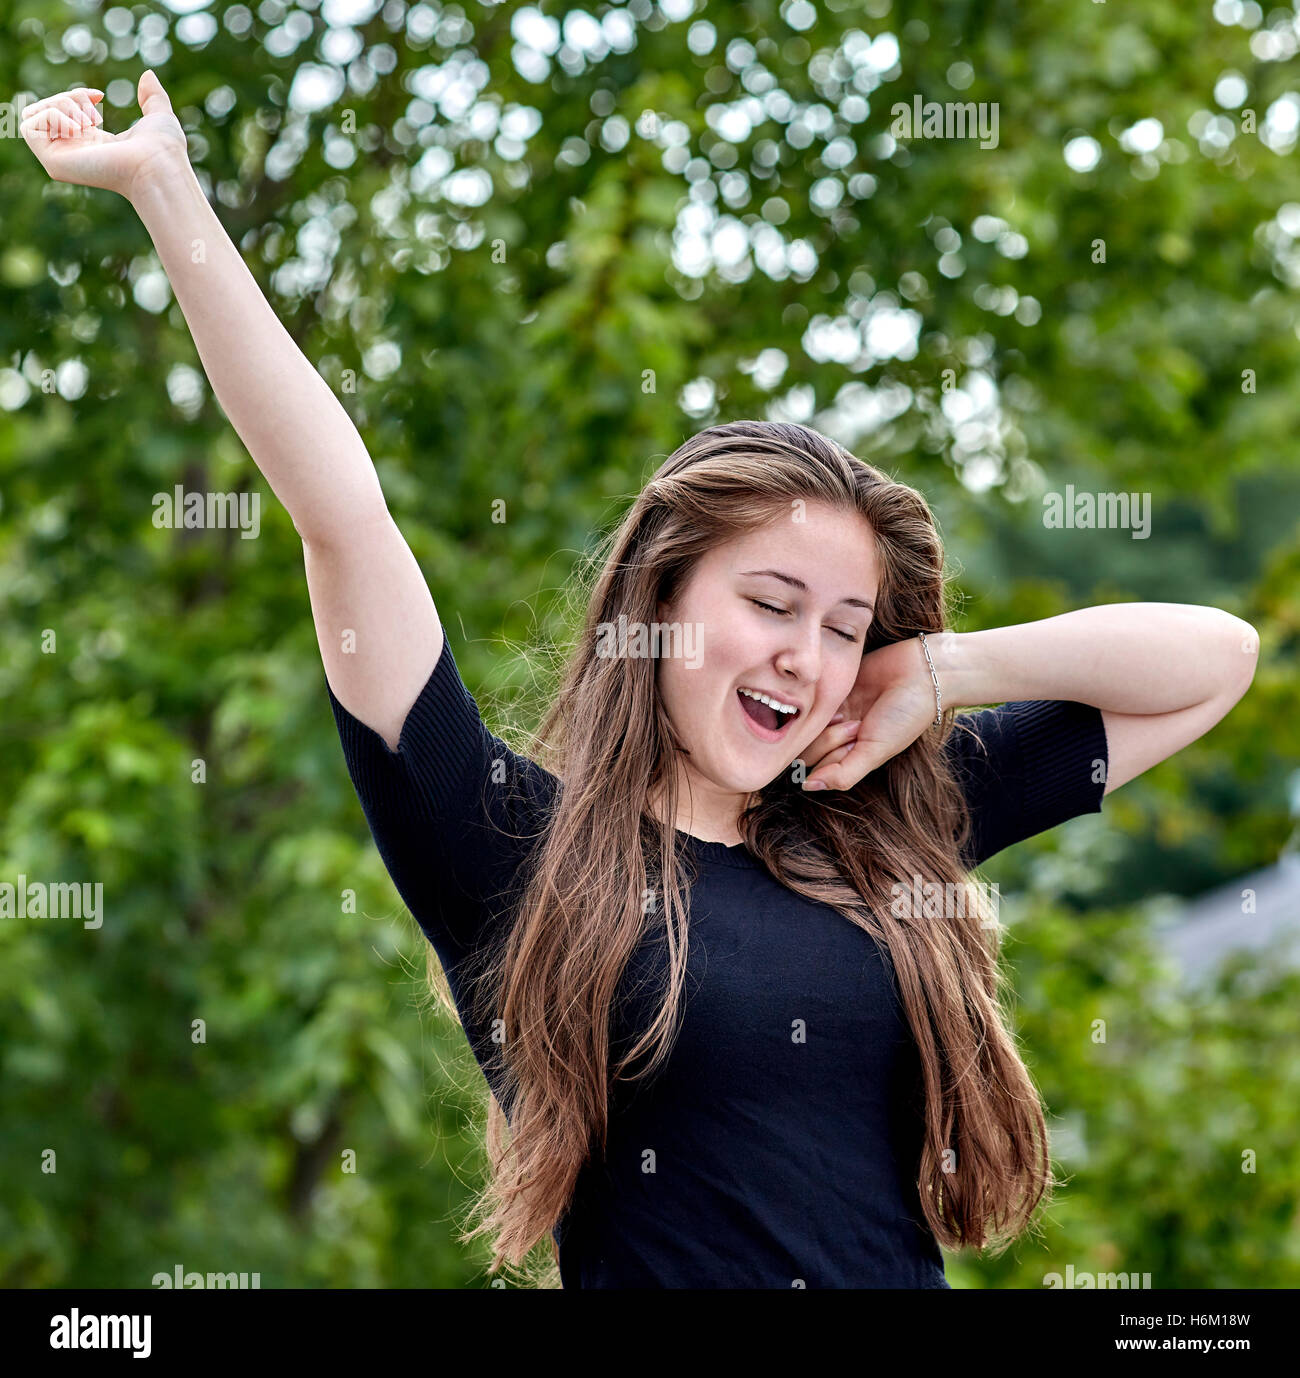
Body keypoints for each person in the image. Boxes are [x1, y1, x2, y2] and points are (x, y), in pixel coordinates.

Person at [22, 74, 1260, 1290]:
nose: (805, 654)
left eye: (841, 628)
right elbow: (343, 517)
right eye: (770, 604)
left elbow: (1215, 662)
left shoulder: (886, 823)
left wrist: (939, 670)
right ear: (657, 606)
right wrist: (162, 185)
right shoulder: (510, 840)